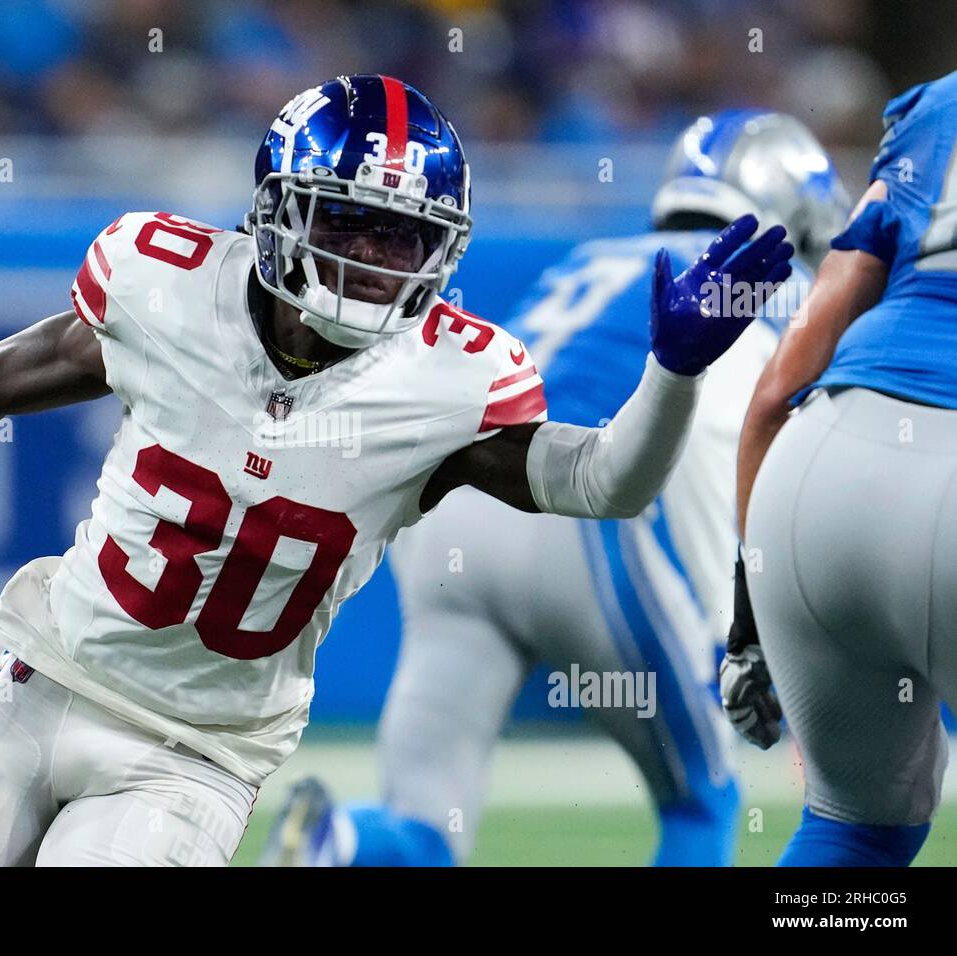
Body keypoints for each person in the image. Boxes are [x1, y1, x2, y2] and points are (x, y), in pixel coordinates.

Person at [0, 74, 791, 867]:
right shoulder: (165, 286)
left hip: (192, 755)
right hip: (37, 690)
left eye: (399, 237)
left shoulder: (443, 381)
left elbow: (603, 482)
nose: (373, 259)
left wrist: (673, 375)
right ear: (278, 206)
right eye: (351, 224)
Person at [259, 110, 845, 867]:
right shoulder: (767, 283)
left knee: (426, 819)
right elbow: (734, 443)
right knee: (702, 799)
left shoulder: (593, 256)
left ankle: (337, 846)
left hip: (459, 506)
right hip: (585, 506)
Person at [728, 70, 957, 867]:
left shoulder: (938, 109)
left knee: (854, 831)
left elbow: (775, 391)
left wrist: (747, 617)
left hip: (816, 473)